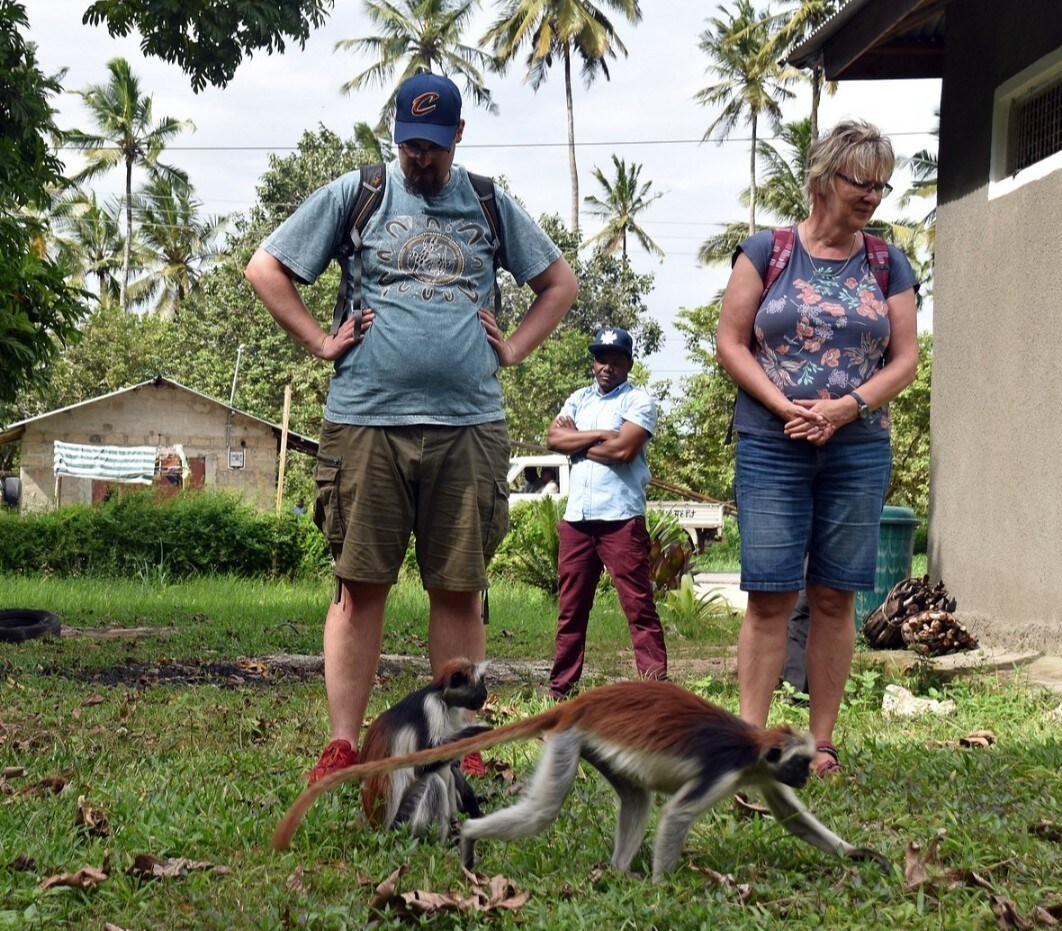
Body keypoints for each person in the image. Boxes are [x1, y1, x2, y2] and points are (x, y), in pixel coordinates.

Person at [245, 72, 578, 783]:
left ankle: (457, 738)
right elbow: (265, 267)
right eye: (409, 145)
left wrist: (513, 349)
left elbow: (560, 283)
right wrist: (319, 340)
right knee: (359, 584)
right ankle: (342, 743)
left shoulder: (487, 202)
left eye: (432, 145)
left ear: (459, 136)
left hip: (470, 424)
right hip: (366, 420)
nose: (419, 158)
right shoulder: (360, 192)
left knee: (458, 587)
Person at [716, 120, 919, 777]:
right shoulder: (766, 250)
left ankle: (821, 742)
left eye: (882, 186)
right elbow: (731, 343)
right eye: (862, 182)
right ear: (825, 179)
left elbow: (905, 359)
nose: (873, 196)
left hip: (857, 445)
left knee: (835, 596)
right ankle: (752, 741)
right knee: (770, 594)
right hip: (771, 443)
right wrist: (784, 406)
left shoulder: (887, 262)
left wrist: (846, 407)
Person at [545, 326, 668, 699]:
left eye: (615, 361)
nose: (607, 367)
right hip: (577, 521)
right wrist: (602, 435)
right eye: (601, 359)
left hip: (621, 519)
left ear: (628, 364)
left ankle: (655, 689)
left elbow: (623, 451)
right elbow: (553, 439)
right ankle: (560, 688)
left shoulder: (638, 401)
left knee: (638, 606)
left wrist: (577, 441)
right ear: (593, 362)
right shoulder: (578, 399)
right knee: (571, 610)